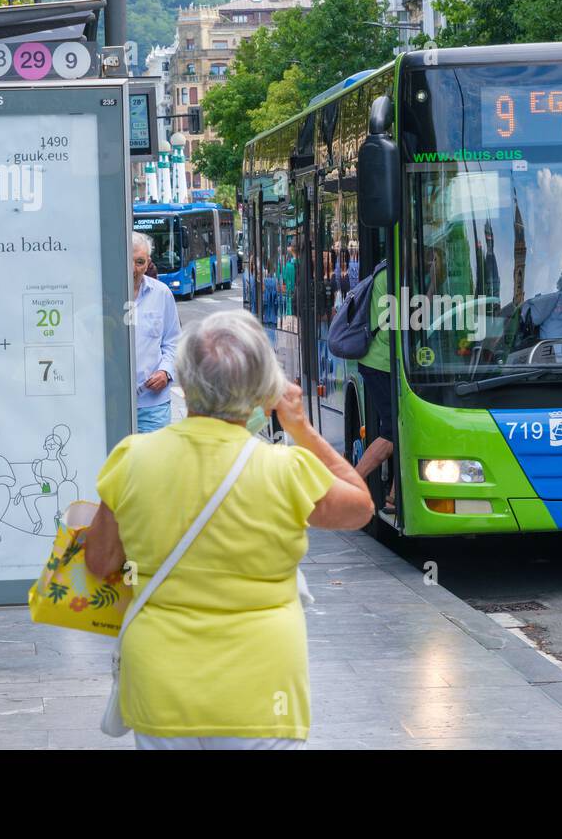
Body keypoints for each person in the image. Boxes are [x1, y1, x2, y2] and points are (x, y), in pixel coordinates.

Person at [85, 309, 372, 750]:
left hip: (161, 683)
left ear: (183, 377)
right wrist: (300, 427)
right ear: (262, 389)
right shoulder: (286, 469)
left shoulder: (132, 458)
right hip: (260, 690)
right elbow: (361, 508)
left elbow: (100, 561)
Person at [354, 260, 395, 518]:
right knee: (393, 431)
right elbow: (407, 323)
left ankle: (393, 498)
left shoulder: (386, 270)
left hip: (382, 363)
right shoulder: (393, 276)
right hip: (380, 363)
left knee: (403, 430)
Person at [131, 231, 181, 432]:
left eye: (139, 262)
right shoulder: (102, 294)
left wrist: (166, 371)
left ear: (148, 262)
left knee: (153, 462)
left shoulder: (162, 294)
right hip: (112, 404)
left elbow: (173, 341)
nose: (133, 269)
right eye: (128, 260)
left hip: (152, 404)